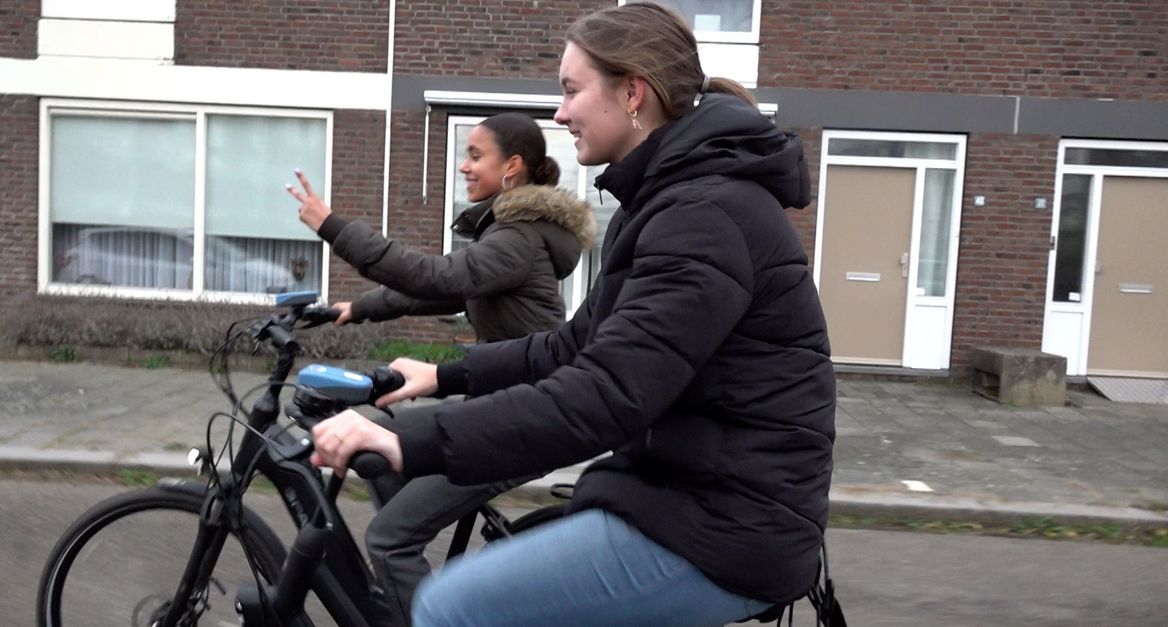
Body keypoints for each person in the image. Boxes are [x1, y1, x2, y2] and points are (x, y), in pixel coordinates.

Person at [305, 3, 836, 625]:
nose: (559, 113)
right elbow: (575, 344)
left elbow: (606, 393)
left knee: (452, 605)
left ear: (633, 92)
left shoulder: (702, 216)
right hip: (688, 495)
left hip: (727, 526)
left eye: (570, 90)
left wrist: (403, 438)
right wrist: (445, 375)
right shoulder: (668, 201)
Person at [287, 112, 596, 626]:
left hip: (525, 418)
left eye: (476, 156)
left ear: (513, 167)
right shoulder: (516, 232)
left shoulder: (518, 237)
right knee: (380, 445)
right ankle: (412, 588)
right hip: (502, 403)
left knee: (387, 540)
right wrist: (357, 308)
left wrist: (333, 226)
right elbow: (432, 290)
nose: (463, 167)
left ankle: (417, 598)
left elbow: (439, 277)